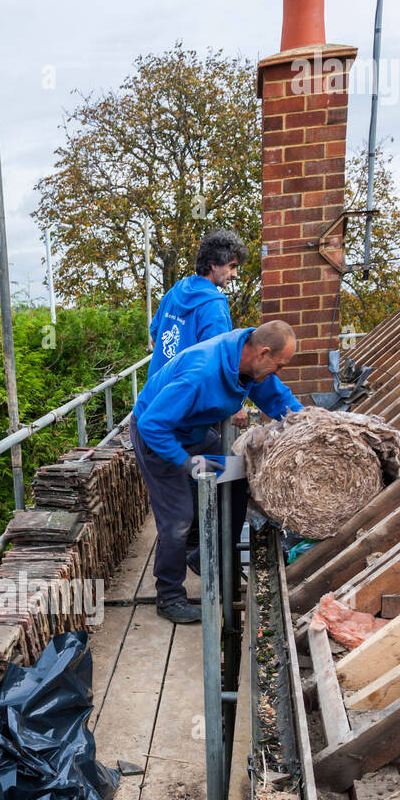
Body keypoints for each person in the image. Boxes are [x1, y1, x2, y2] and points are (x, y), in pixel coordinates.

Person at [130, 321, 302, 624]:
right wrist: (185, 462)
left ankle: (208, 559)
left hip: (193, 431)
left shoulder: (249, 365)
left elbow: (278, 399)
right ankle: (169, 596)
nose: (279, 372)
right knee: (178, 519)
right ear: (263, 353)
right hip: (157, 437)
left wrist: (308, 428)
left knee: (236, 476)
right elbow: (152, 424)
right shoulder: (201, 374)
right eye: (279, 365)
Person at [147, 229, 249, 377]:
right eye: (232, 266)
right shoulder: (214, 306)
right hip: (185, 395)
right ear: (214, 264)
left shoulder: (174, 292)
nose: (235, 274)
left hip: (155, 391)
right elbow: (216, 365)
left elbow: (155, 338)